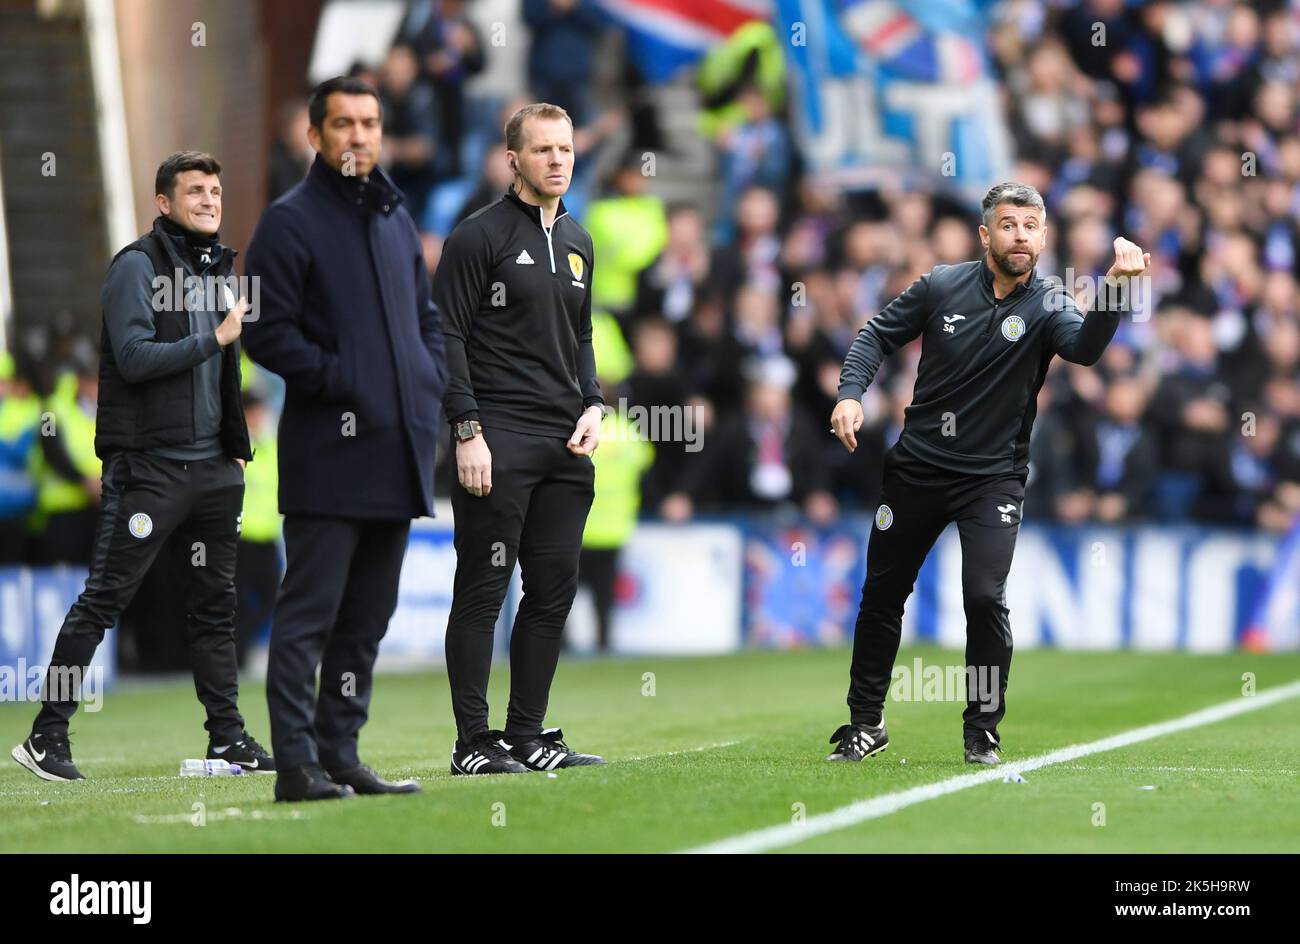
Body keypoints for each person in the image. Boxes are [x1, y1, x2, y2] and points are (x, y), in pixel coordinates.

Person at [826, 182, 1149, 765]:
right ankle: (865, 723)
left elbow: (1085, 351)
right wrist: (851, 393)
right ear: (986, 235)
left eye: (1030, 226)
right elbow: (876, 333)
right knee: (881, 595)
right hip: (918, 469)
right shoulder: (941, 285)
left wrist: (1116, 289)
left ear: (1044, 236)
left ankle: (982, 731)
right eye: (1008, 224)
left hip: (992, 479)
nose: (1020, 236)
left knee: (983, 595)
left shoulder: (1050, 303)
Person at [11, 151, 267, 781]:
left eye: (216, 189)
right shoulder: (136, 266)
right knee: (103, 600)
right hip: (151, 469)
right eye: (195, 191)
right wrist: (215, 338)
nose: (210, 200)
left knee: (215, 608)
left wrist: (234, 443)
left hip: (213, 472)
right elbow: (132, 357)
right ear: (163, 203)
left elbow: (224, 374)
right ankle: (47, 734)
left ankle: (227, 741)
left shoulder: (219, 270)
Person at [244, 77, 448, 802]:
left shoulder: (395, 215)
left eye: (369, 123)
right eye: (343, 124)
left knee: (366, 623)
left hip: (398, 453)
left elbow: (426, 316)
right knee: (309, 619)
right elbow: (265, 330)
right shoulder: (290, 221)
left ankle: (341, 753)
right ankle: (295, 765)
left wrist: (428, 380)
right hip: (330, 452)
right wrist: (339, 377)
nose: (358, 136)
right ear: (315, 136)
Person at [435, 102, 606, 774]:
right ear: (513, 160)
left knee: (553, 590)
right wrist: (467, 430)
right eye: (542, 150)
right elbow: (446, 335)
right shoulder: (477, 238)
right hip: (499, 436)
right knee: (484, 585)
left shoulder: (579, 241)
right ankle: (471, 743)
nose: (558, 160)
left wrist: (592, 401)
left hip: (566, 445)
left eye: (565, 149)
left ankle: (527, 735)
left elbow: (583, 337)